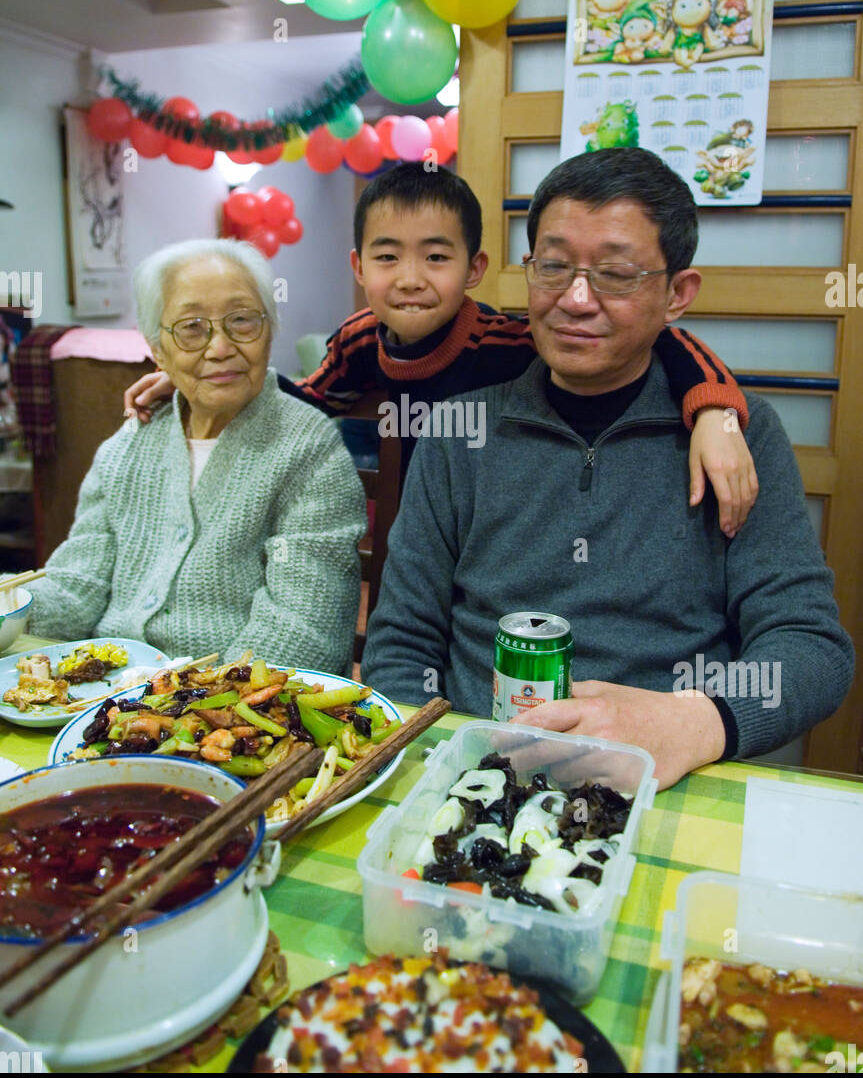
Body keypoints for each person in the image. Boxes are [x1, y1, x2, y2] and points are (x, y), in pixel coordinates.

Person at [361, 149, 854, 788]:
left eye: (617, 274)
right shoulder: (460, 434)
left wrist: (694, 723)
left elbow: (811, 648)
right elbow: (400, 642)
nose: (575, 299)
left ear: (678, 294)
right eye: (553, 267)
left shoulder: (737, 436)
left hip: (667, 777)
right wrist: (443, 772)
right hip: (475, 776)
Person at [125, 164, 758, 537]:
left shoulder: (514, 341)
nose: (409, 278)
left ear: (474, 268)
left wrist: (714, 412)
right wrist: (205, 380)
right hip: (410, 522)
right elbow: (309, 401)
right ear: (358, 266)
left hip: (501, 515)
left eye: (436, 257)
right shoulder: (357, 339)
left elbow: (662, 341)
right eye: (386, 257)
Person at [28, 239, 366, 672]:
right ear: (157, 349)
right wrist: (13, 604)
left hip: (236, 715)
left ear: (270, 328)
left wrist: (185, 706)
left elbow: (303, 629)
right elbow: (78, 585)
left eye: (242, 321)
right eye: (191, 327)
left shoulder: (308, 449)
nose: (220, 347)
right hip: (107, 700)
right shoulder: (126, 449)